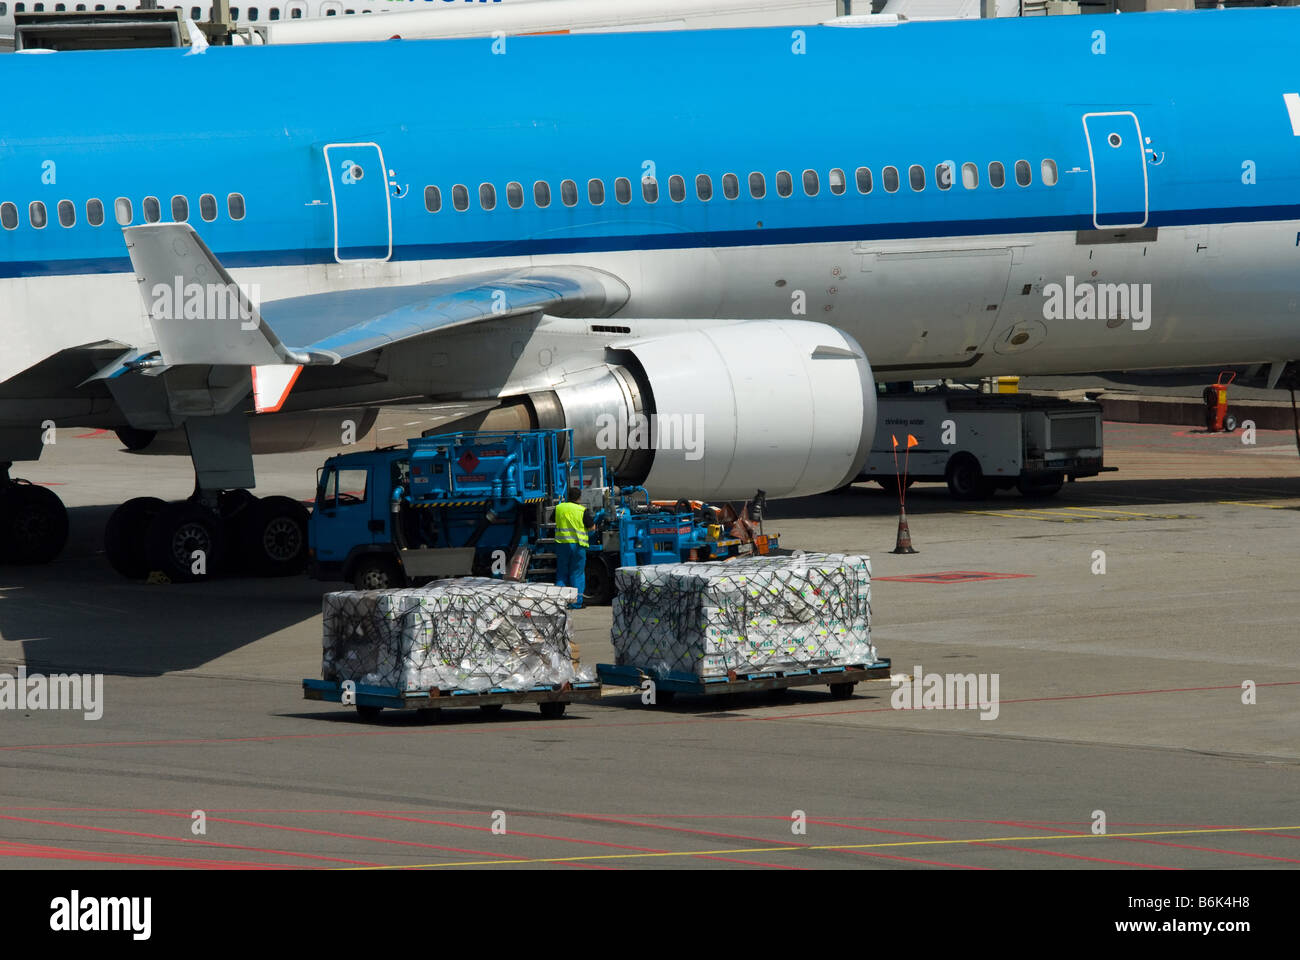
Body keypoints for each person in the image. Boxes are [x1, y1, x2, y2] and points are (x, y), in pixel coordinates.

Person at [553, 486, 592, 609]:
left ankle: (560, 602)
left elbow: (552, 520)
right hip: (578, 546)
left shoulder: (559, 508)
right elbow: (592, 527)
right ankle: (576, 602)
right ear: (579, 497)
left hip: (562, 544)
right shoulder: (582, 510)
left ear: (568, 497)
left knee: (562, 573)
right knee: (577, 573)